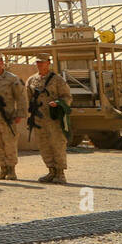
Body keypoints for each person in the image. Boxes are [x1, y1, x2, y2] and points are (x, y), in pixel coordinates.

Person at [26, 52, 72, 183]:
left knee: (57, 144)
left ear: (48, 63)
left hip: (54, 119)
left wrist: (57, 104)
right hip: (39, 119)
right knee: (44, 145)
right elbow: (28, 98)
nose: (40, 65)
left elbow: (67, 97)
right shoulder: (31, 80)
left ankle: (60, 173)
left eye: (42, 62)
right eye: (38, 62)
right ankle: (51, 171)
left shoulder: (57, 80)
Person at [0, 50, 27, 181]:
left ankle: (11, 170)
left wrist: (20, 114)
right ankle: (2, 168)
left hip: (8, 117)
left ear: (2, 63)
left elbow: (21, 98)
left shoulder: (12, 79)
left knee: (9, 144)